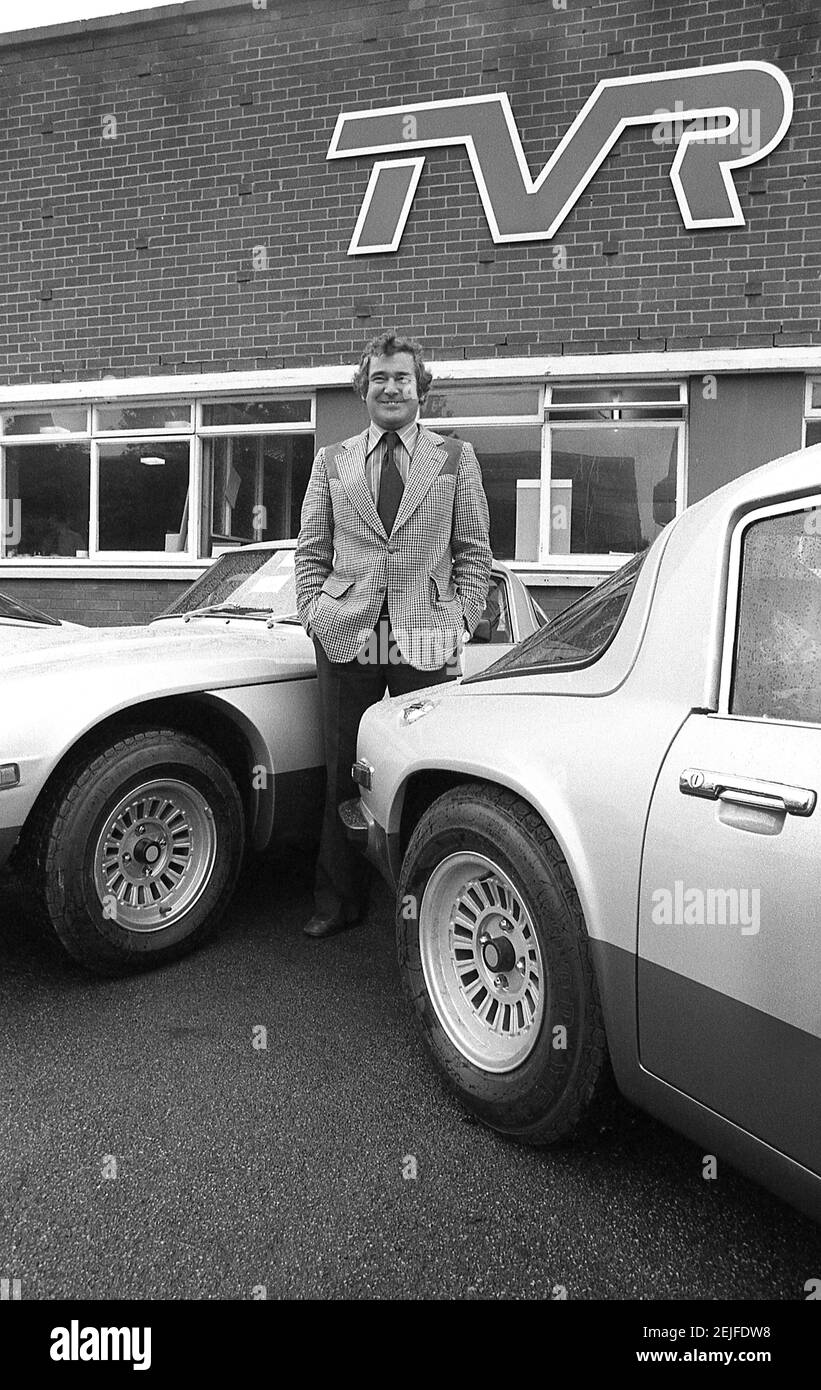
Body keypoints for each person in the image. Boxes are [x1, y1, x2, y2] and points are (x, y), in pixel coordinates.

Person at [295, 332, 492, 938]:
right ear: (364, 387)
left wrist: (460, 616)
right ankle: (338, 903)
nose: (390, 387)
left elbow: (474, 553)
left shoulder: (455, 459)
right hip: (347, 632)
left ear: (419, 388)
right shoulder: (331, 461)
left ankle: (429, 906)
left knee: (428, 772)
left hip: (424, 634)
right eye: (379, 377)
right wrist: (314, 612)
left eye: (401, 378)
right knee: (340, 768)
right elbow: (311, 552)